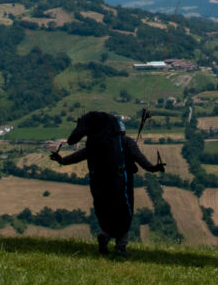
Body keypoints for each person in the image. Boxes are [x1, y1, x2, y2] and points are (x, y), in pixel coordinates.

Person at [49, 110, 165, 256]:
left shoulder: (97, 144)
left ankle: (105, 235)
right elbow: (139, 158)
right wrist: (153, 168)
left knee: (107, 213)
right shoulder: (126, 142)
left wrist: (62, 160)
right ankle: (120, 248)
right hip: (121, 185)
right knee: (124, 213)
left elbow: (79, 155)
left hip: (101, 187)